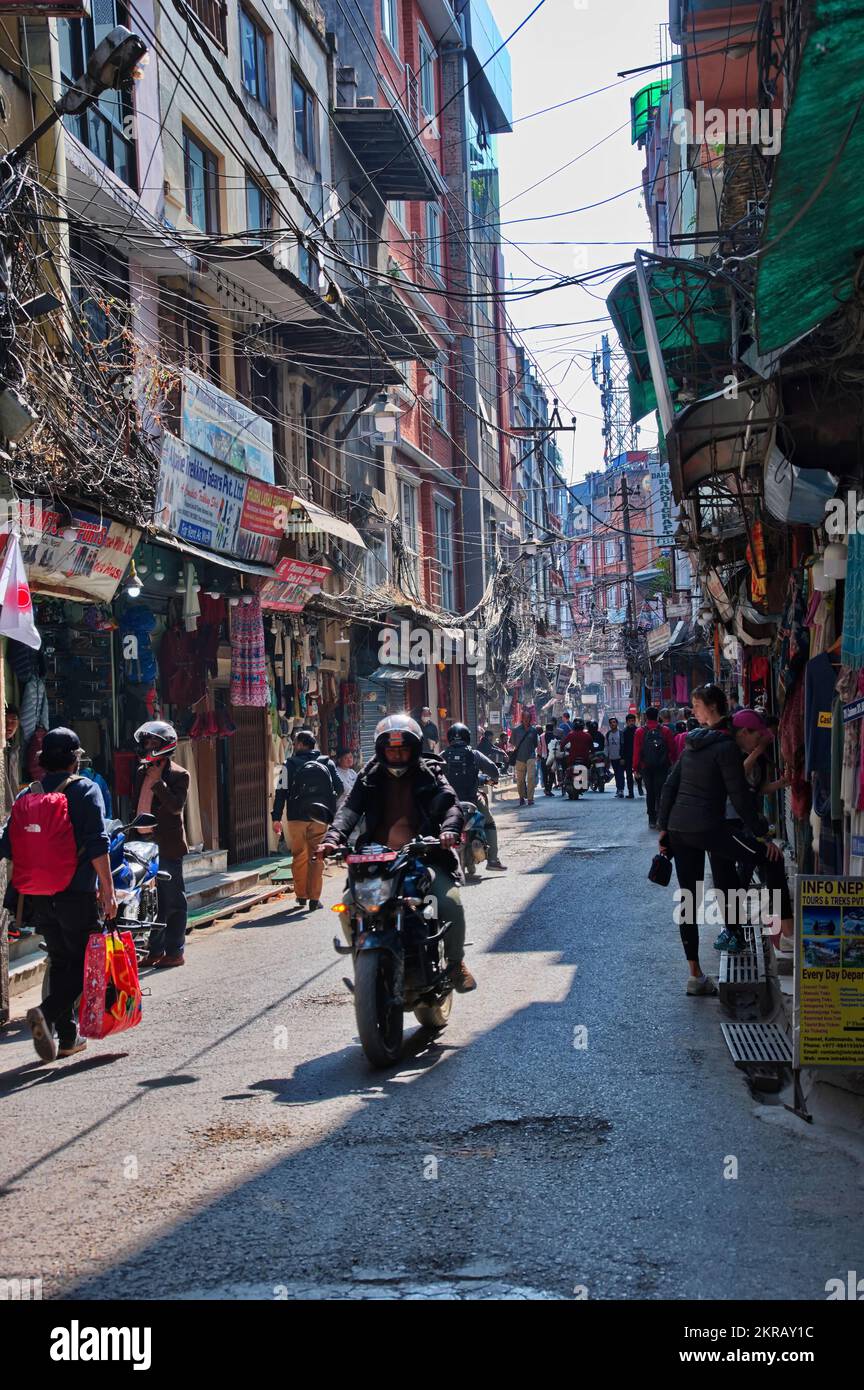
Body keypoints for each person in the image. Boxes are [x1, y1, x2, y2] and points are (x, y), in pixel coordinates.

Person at [319, 714, 475, 992]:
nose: (398, 754)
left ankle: (455, 964)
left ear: (414, 749)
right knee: (347, 906)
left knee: (450, 902)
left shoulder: (430, 771)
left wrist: (448, 830)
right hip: (377, 860)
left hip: (424, 856)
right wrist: (332, 838)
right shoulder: (369, 775)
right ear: (382, 750)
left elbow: (451, 804)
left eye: (403, 749)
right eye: (392, 749)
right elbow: (349, 811)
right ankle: (364, 966)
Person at [657, 688, 788, 992]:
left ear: (713, 707)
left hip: (680, 829)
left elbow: (669, 786)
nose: (694, 711)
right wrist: (761, 833)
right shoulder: (725, 747)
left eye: (697, 705)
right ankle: (787, 936)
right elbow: (740, 796)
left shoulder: (692, 744)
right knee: (771, 858)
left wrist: (664, 829)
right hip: (709, 827)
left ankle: (695, 976)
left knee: (689, 898)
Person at [0, 727, 115, 1061]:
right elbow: (97, 844)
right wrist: (108, 892)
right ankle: (46, 1014)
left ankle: (68, 1038)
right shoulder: (85, 790)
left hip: (36, 896)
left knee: (62, 962)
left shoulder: (26, 795)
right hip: (76, 893)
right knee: (83, 967)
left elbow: (7, 845)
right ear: (74, 761)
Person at [133, 721, 190, 969]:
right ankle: (154, 950)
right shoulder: (140, 771)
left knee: (174, 900)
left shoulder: (178, 774)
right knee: (153, 902)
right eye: (146, 742)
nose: (149, 747)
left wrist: (158, 782)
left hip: (166, 845)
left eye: (154, 743)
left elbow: (176, 807)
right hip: (141, 844)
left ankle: (175, 951)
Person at [271, 730, 343, 911]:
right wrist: (327, 803)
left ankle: (301, 895)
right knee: (317, 856)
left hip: (296, 816)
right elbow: (340, 787)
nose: (294, 746)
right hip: (319, 816)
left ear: (302, 744)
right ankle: (314, 898)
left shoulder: (289, 764)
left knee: (299, 856)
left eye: (295, 743)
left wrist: (276, 817)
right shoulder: (327, 762)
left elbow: (281, 791)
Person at [440, 723, 507, 869]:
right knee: (489, 822)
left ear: (449, 737)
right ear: (467, 737)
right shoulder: (474, 754)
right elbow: (494, 771)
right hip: (472, 800)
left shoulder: (443, 755)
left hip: (450, 803)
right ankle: (493, 860)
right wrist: (493, 778)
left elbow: (433, 773)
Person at [633, 706, 677, 829]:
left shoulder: (640, 732)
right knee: (661, 792)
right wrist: (673, 761)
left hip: (646, 766)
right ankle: (660, 818)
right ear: (658, 716)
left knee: (650, 792)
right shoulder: (665, 731)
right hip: (662, 765)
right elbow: (672, 748)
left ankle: (651, 818)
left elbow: (636, 751)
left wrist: (635, 768)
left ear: (646, 717)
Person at [509, 709, 541, 806]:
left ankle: (530, 798)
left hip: (531, 757)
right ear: (522, 718)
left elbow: (535, 744)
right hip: (519, 758)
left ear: (530, 719)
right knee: (520, 780)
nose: (526, 719)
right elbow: (512, 743)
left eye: (528, 717)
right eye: (524, 717)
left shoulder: (534, 731)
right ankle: (522, 797)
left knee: (531, 778)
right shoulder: (516, 730)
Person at [621, 712, 640, 798]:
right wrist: (622, 757)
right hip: (627, 756)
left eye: (633, 721)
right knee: (628, 775)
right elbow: (622, 746)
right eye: (630, 721)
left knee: (639, 773)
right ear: (627, 722)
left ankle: (639, 785)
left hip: (638, 755)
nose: (631, 722)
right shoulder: (624, 732)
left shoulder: (638, 731)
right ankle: (631, 792)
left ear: (635, 721)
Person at [606, 717, 625, 797]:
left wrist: (623, 757)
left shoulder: (621, 733)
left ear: (617, 723)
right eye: (611, 722)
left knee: (620, 774)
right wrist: (607, 757)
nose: (612, 724)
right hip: (612, 757)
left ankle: (621, 790)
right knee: (616, 774)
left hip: (620, 757)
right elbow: (606, 746)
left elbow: (624, 746)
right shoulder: (608, 734)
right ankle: (618, 789)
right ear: (609, 724)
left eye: (614, 722)